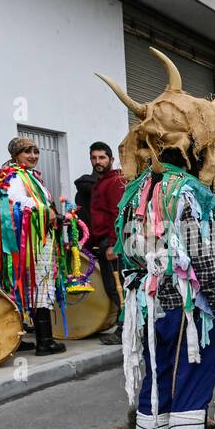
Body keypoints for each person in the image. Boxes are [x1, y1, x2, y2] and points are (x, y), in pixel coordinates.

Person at [97, 47, 215, 429]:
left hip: (145, 310)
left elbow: (124, 256)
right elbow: (204, 260)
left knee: (154, 385)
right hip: (187, 312)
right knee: (190, 388)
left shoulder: (135, 192)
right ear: (192, 143)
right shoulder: (193, 194)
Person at [0, 137, 64, 355]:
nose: (33, 155)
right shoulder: (16, 176)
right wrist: (45, 209)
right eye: (27, 152)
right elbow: (13, 200)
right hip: (34, 241)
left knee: (39, 287)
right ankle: (45, 341)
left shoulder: (27, 175)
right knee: (40, 286)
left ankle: (44, 338)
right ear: (16, 155)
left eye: (35, 151)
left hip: (40, 238)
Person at [85, 142, 127, 345]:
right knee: (113, 287)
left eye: (102, 158)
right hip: (102, 242)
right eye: (94, 158)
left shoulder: (114, 182)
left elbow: (117, 214)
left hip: (112, 243)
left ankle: (124, 330)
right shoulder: (100, 182)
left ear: (111, 159)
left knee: (117, 287)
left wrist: (113, 243)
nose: (97, 162)